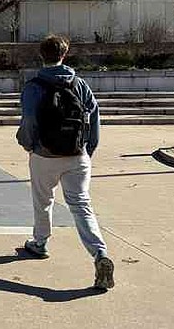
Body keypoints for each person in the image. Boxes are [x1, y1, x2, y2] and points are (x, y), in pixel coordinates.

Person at [16, 34, 114, 290]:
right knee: (81, 205)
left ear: (41, 55)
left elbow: (29, 120)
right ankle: (100, 253)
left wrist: (29, 145)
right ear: (65, 54)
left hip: (44, 155)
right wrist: (88, 148)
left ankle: (40, 242)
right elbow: (94, 117)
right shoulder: (80, 84)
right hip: (77, 154)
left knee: (43, 200)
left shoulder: (34, 86)